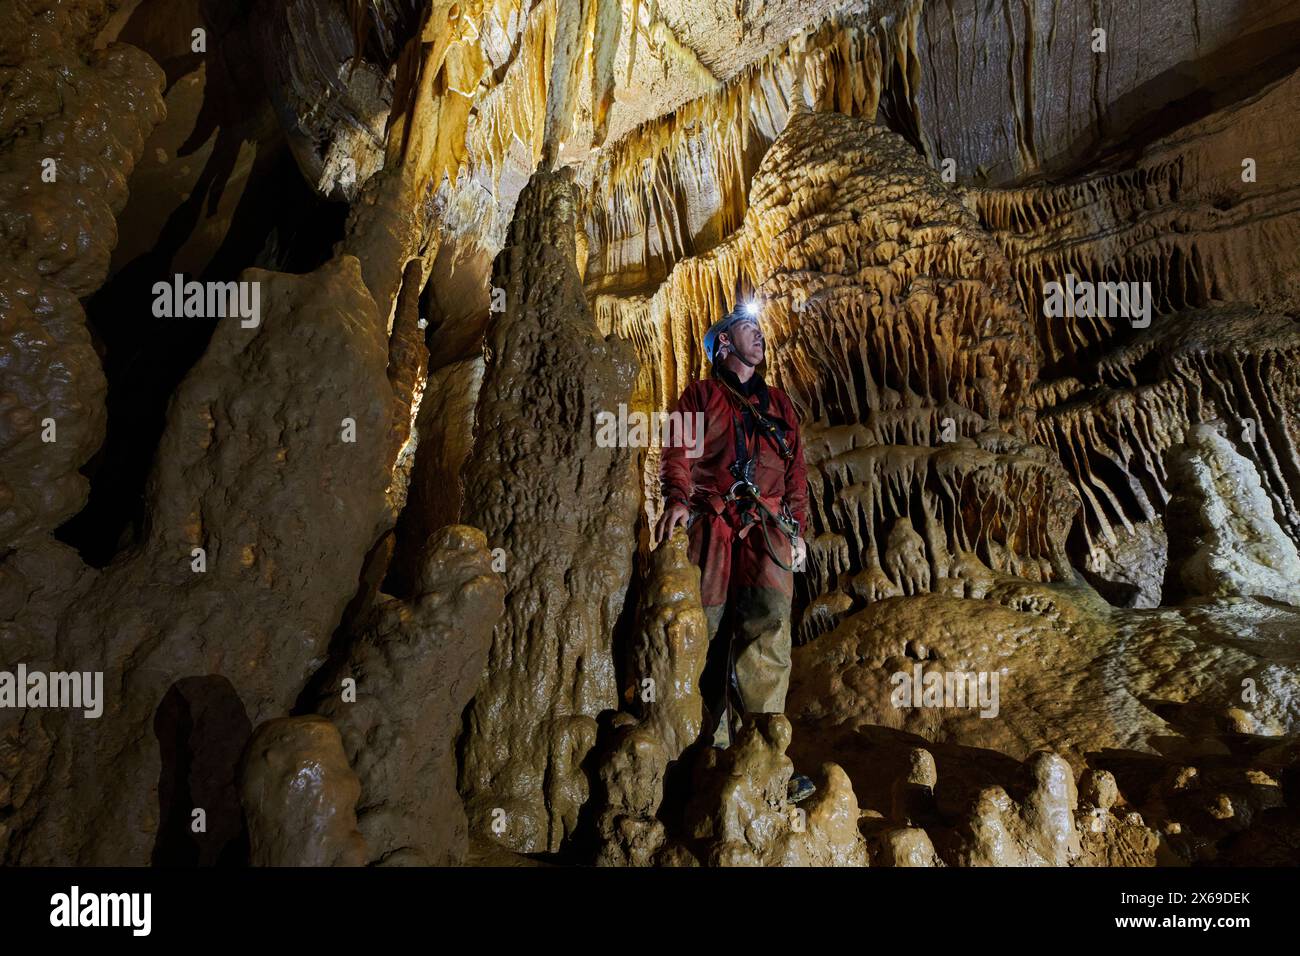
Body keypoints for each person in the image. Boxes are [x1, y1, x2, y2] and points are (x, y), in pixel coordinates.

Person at [654, 301, 816, 803]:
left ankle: (764, 756)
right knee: (707, 631)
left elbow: (796, 474)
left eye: (759, 330)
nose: (759, 336)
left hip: (766, 528)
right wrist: (678, 500)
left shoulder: (780, 405)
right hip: (715, 524)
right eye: (748, 329)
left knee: (768, 630)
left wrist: (797, 529)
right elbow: (678, 452)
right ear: (723, 343)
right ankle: (707, 753)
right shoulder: (699, 396)